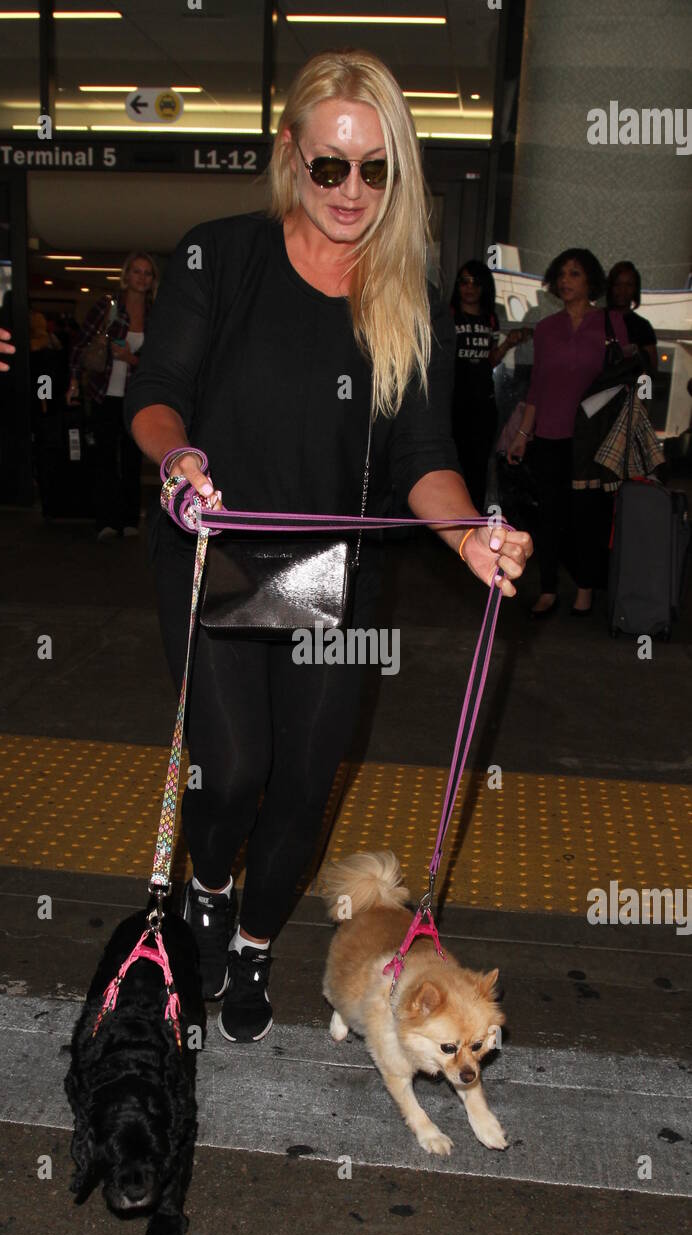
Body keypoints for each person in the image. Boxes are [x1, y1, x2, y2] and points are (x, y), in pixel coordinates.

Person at [125, 49, 532, 1046]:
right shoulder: (218, 257)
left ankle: (256, 943)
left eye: (375, 168)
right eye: (329, 167)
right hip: (217, 547)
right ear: (289, 156)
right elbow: (155, 393)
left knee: (303, 786)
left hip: (326, 572)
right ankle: (209, 887)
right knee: (231, 772)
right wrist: (178, 458)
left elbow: (423, 458)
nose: (352, 191)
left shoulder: (405, 298)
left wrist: (465, 533)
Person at [508, 248, 628, 617]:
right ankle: (547, 588)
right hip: (550, 437)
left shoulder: (611, 324)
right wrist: (521, 435)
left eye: (574, 273)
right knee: (548, 517)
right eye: (561, 274)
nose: (565, 280)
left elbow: (626, 383)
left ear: (590, 280)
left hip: (592, 441)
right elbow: (537, 390)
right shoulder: (546, 329)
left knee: (588, 517)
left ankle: (586, 587)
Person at [68, 252, 158, 540]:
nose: (141, 278)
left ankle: (130, 519)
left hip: (136, 398)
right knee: (105, 458)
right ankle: (106, 520)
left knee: (132, 460)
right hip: (103, 393)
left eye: (147, 273)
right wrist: (72, 381)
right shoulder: (107, 307)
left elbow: (163, 360)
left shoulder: (158, 313)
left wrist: (132, 359)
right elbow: (80, 345)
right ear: (126, 275)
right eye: (136, 271)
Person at [450, 259, 529, 511]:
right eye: (464, 281)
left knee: (478, 464)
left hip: (483, 402)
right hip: (453, 401)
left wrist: (508, 344)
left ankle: (471, 521)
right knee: (453, 463)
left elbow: (490, 360)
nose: (469, 288)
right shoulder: (448, 315)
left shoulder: (490, 319)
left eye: (475, 282)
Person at [606, 260, 657, 375]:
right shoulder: (596, 320)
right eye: (617, 284)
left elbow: (651, 370)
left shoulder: (643, 326)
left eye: (628, 285)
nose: (622, 290)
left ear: (635, 289)